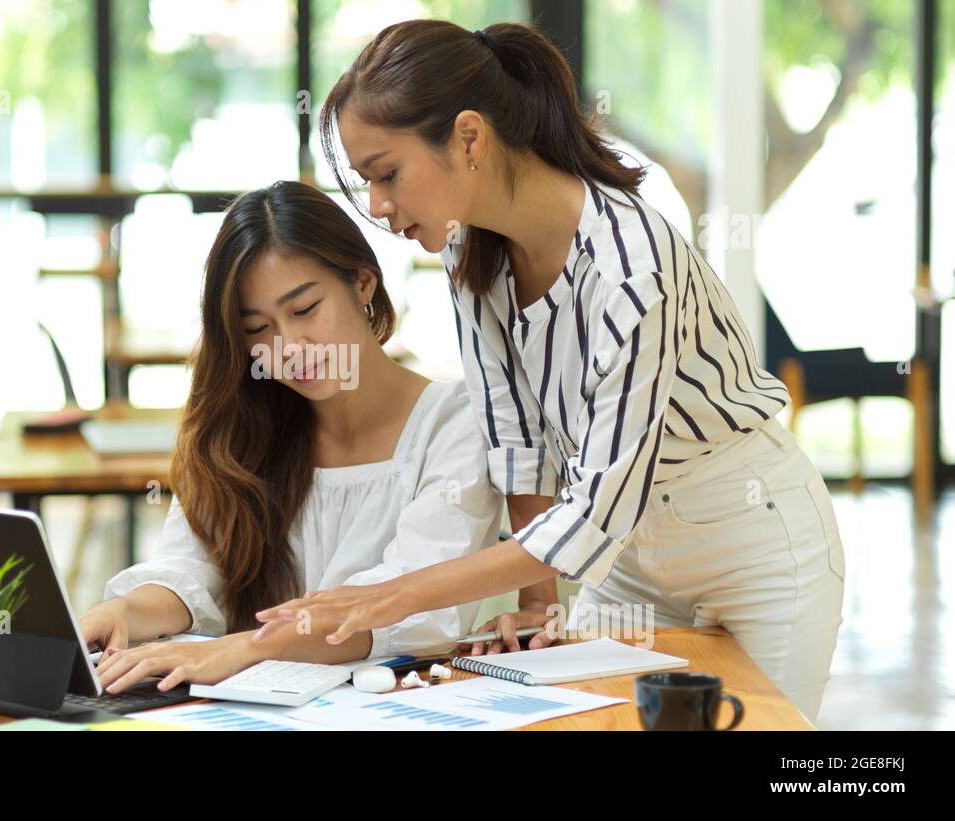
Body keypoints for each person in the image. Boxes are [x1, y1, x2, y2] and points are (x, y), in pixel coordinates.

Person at [252, 20, 844, 723]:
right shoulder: (469, 252)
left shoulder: (632, 268)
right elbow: (520, 445)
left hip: (755, 553)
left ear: (468, 138)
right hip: (626, 564)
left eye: (386, 173)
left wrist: (393, 593)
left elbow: (592, 515)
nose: (377, 206)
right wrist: (537, 605)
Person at [77, 180, 504, 695]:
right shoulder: (244, 432)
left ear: (363, 283)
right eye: (258, 328)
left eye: (304, 310)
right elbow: (192, 569)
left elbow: (406, 607)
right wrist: (124, 611)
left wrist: (239, 650)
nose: (288, 347)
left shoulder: (453, 424)